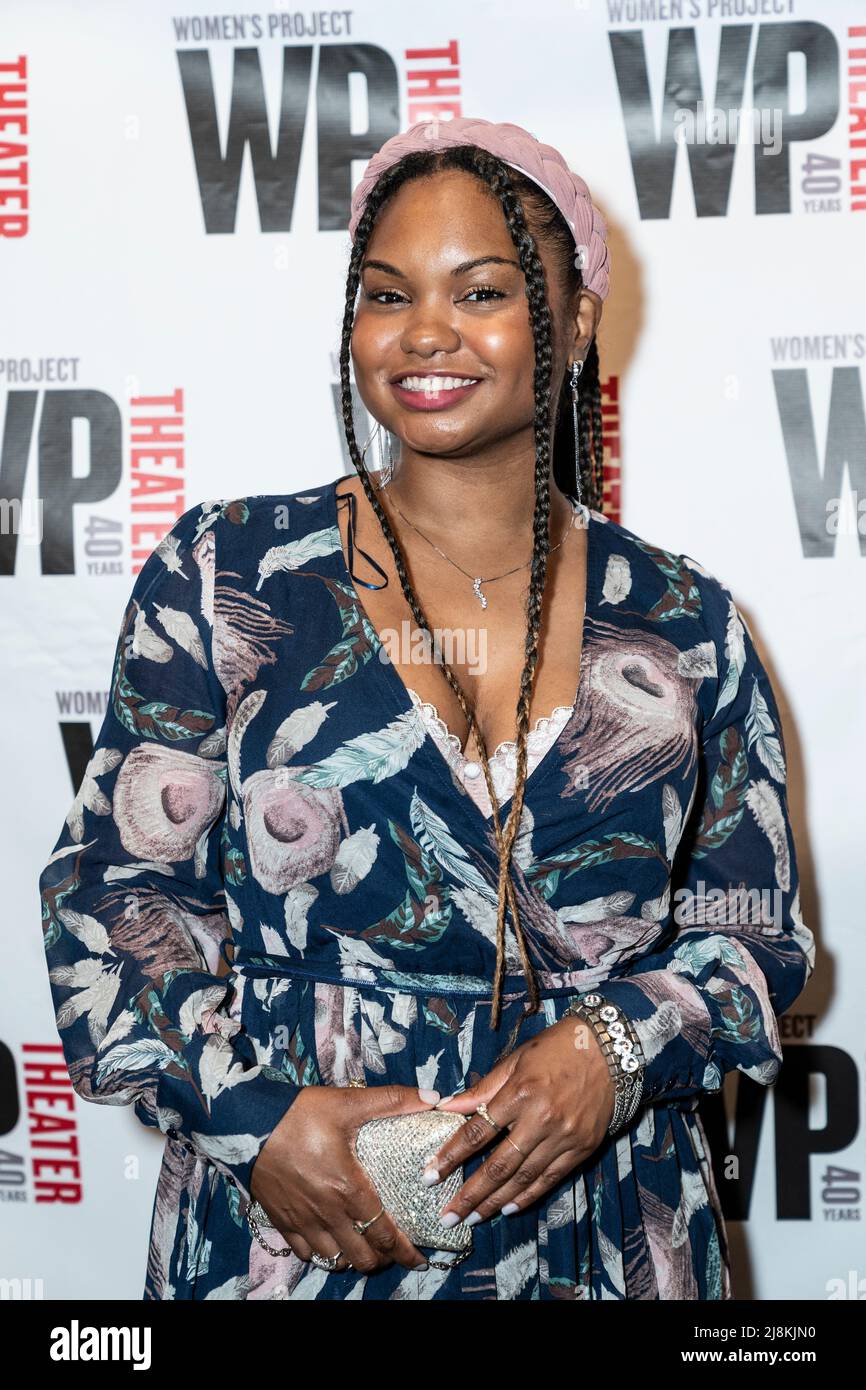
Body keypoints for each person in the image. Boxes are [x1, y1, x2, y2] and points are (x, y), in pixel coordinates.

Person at [37, 117, 815, 1301]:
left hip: (604, 1236)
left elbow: (750, 935)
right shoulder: (227, 574)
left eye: (483, 290)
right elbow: (114, 898)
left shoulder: (685, 623)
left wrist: (612, 1050)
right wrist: (252, 1117)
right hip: (296, 1236)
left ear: (575, 322)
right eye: (386, 293)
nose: (426, 334)